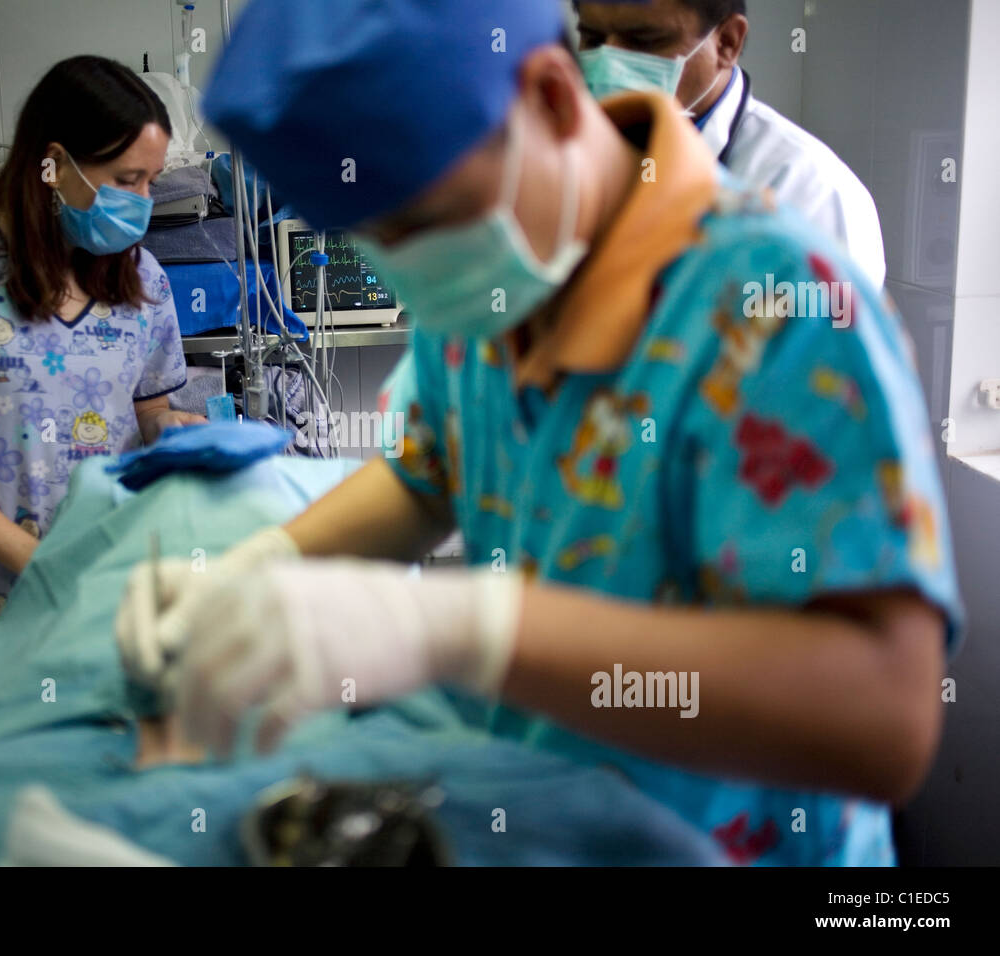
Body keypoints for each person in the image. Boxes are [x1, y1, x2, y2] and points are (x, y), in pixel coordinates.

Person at [114, 0, 962, 865]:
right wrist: (264, 571)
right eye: (369, 234)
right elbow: (430, 467)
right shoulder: (496, 281)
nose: (404, 264)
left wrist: (464, 629)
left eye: (420, 221)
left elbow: (883, 718)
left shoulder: (778, 308)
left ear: (556, 100)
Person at [0, 55, 204, 693]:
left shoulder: (144, 281)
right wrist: (37, 562)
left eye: (151, 182)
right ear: (53, 165)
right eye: (127, 179)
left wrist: (176, 430)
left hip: (110, 612)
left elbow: (146, 414)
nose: (142, 203)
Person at [575, 0, 888, 288]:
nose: (610, 62)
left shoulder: (811, 193)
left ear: (727, 42)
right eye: (593, 40)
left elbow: (829, 340)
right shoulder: (573, 157)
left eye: (644, 41)